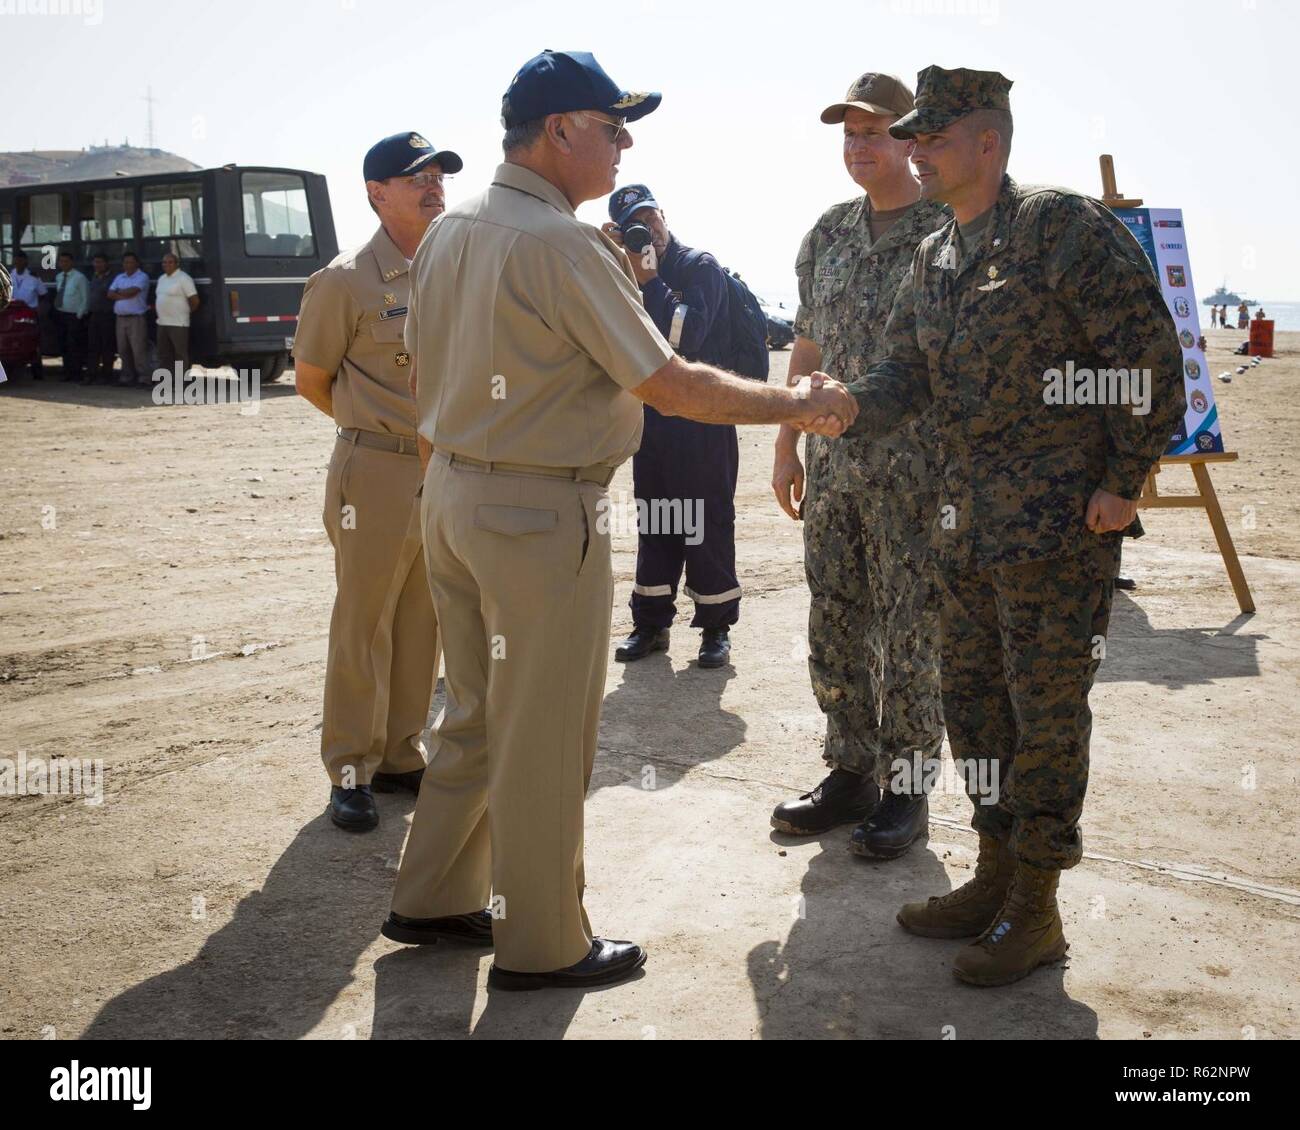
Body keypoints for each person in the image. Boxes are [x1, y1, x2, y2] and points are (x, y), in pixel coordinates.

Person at [384, 49, 857, 991]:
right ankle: (544, 943)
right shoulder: (560, 242)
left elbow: (420, 367)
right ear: (559, 131)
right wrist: (797, 405)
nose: (625, 142)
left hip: (453, 497)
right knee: (548, 733)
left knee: (475, 711)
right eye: (612, 124)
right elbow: (671, 383)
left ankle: (434, 894)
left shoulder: (452, 228)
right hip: (535, 509)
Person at [840, 66, 1184, 986]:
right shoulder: (937, 254)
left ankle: (1037, 907)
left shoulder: (1059, 228)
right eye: (911, 136)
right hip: (962, 532)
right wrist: (839, 408)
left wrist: (1125, 478)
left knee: (1046, 720)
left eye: (933, 138)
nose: (915, 150)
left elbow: (1147, 356)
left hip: (1056, 533)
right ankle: (992, 876)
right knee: (976, 710)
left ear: (987, 143)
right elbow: (904, 374)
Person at [769, 72, 949, 860]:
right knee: (835, 615)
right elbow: (806, 345)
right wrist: (784, 443)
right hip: (836, 470)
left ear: (909, 139)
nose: (858, 146)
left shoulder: (950, 229)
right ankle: (850, 771)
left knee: (910, 630)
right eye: (848, 134)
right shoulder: (828, 234)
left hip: (918, 473)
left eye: (873, 132)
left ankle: (906, 786)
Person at [293, 131, 462, 833]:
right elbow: (311, 379)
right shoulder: (345, 279)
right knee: (364, 621)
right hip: (376, 470)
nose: (433, 185)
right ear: (375, 192)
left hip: (441, 467)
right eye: (413, 176)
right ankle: (351, 770)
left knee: (424, 618)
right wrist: (378, 433)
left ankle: (399, 752)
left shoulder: (452, 267)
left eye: (438, 174)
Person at [602, 182, 743, 669]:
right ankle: (650, 624)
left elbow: (686, 335)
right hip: (655, 421)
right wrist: (613, 257)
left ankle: (716, 628)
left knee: (706, 522)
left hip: (704, 419)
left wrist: (651, 279)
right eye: (634, 227)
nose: (649, 233)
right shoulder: (621, 271)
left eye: (651, 219)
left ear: (663, 215)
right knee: (658, 522)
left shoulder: (697, 266)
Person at [154, 252, 199, 380]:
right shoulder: (161, 278)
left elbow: (195, 300)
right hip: (162, 323)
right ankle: (165, 382)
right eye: (164, 262)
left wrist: (185, 312)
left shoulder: (184, 278)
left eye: (170, 262)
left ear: (177, 264)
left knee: (180, 354)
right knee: (164, 354)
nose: (166, 265)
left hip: (179, 323)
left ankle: (181, 382)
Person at [107, 252, 150, 386]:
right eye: (125, 262)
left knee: (138, 350)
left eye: (131, 262)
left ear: (137, 263)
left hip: (136, 318)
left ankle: (144, 378)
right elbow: (109, 294)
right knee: (123, 349)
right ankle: (127, 377)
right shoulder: (120, 277)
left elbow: (133, 291)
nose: (128, 265)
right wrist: (123, 294)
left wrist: (118, 292)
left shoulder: (142, 276)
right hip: (120, 319)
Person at [8, 251, 47, 379]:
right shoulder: (7, 276)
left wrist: (39, 310)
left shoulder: (34, 278)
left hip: (29, 314)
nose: (18, 263)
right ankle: (9, 371)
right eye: (16, 260)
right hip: (9, 315)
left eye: (21, 261)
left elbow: (43, 295)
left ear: (26, 262)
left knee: (33, 343)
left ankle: (37, 372)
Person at [53, 250, 89, 383]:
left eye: (66, 261)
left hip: (74, 316)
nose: (63, 263)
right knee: (63, 345)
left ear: (72, 262)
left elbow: (86, 298)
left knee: (75, 346)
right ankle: (67, 372)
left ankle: (77, 373)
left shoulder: (80, 277)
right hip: (61, 314)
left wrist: (79, 316)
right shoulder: (59, 277)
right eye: (61, 261)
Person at [85, 255, 118, 384]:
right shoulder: (94, 276)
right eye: (95, 262)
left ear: (106, 263)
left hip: (107, 315)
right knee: (93, 346)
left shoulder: (113, 278)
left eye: (100, 262)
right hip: (94, 315)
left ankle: (107, 375)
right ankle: (91, 374)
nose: (97, 265)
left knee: (107, 347)